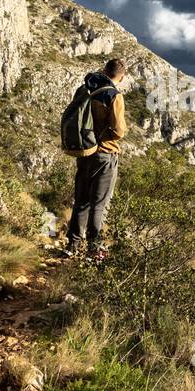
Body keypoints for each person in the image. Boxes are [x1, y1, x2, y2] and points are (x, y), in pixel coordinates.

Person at [67, 59, 127, 260]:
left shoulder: (85, 90)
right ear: (121, 76)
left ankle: (73, 244)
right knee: (99, 203)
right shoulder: (113, 95)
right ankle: (95, 249)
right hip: (105, 154)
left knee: (81, 200)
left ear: (104, 70)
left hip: (85, 151)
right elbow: (118, 130)